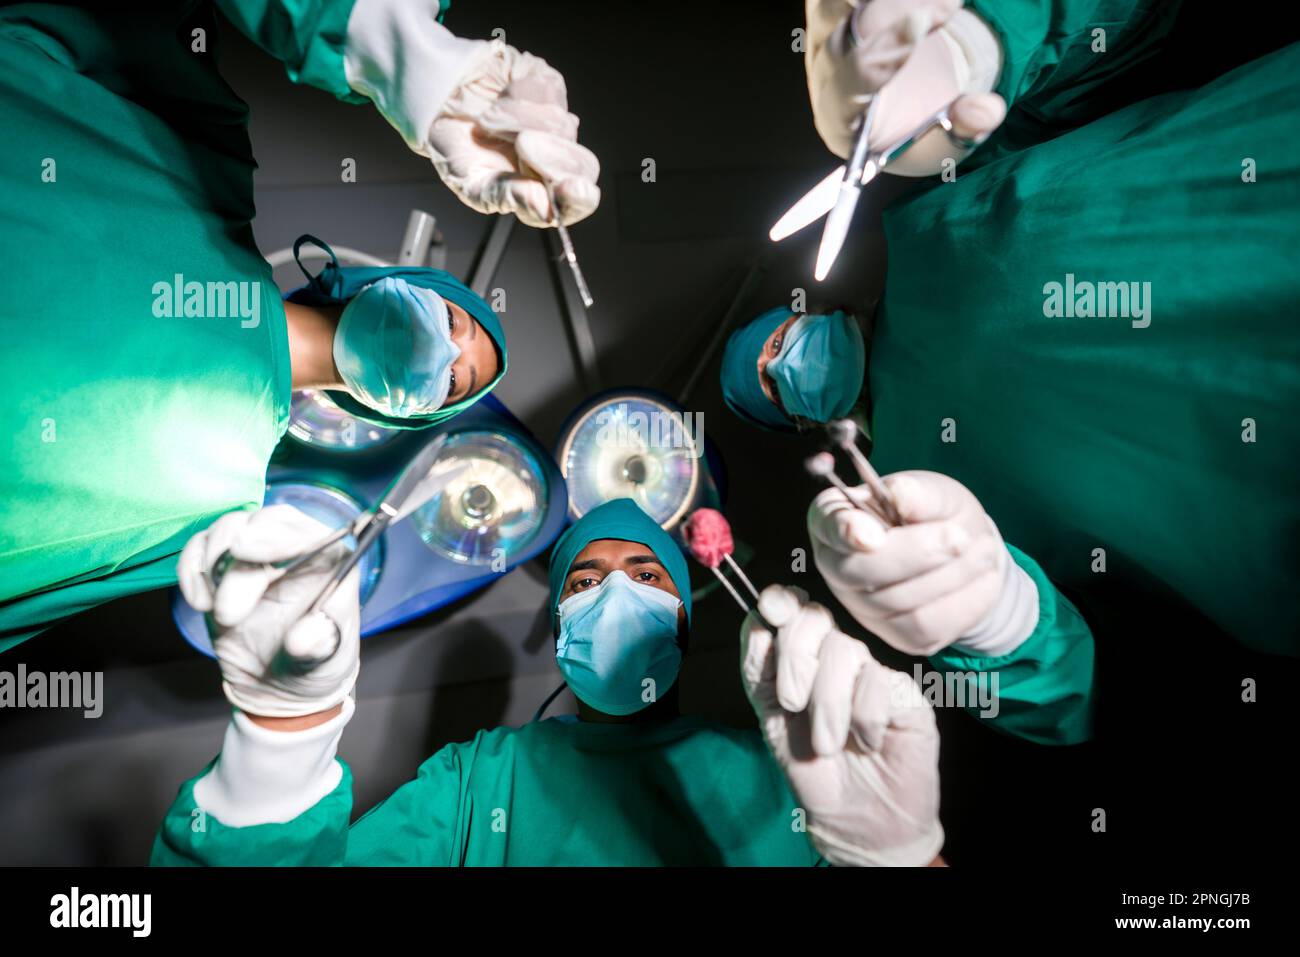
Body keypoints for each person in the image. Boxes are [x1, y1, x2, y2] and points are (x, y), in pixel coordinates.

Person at [718, 0, 1300, 745]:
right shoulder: (904, 513)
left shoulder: (929, 211)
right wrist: (1001, 626)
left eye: (782, 340)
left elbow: (1113, 39)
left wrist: (980, 39)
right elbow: (1113, 688)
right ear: (801, 421)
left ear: (813, 309)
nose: (789, 361)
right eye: (774, 380)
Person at [0, 0, 599, 649]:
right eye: (456, 321)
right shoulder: (200, 164)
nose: (446, 350)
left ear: (401, 415)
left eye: (456, 381)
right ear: (396, 280)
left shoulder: (211, 506)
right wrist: (402, 51)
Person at [150, 498, 945, 866]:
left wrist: (906, 856)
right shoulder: (479, 782)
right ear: (562, 628)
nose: (615, 594)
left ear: (685, 617)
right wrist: (281, 730)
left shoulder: (799, 779)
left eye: (644, 574)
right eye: (585, 581)